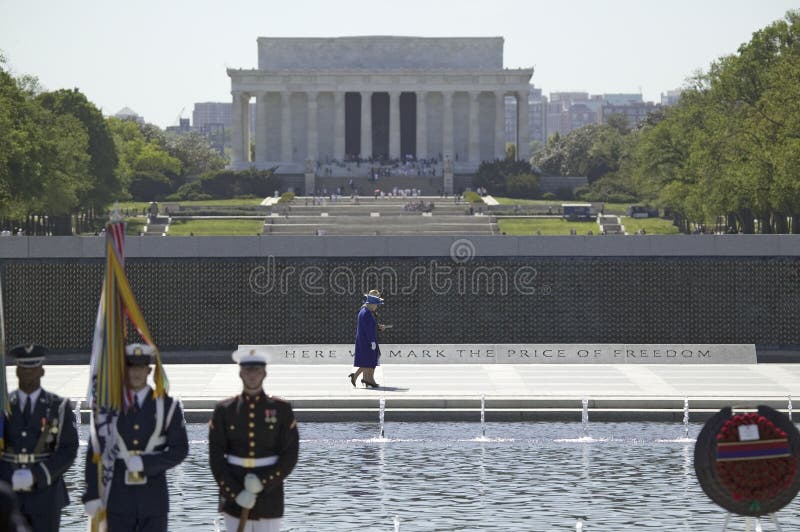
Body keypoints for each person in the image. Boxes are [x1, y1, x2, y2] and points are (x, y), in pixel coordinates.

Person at [83, 343, 188, 531]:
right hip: (118, 500)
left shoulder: (167, 405)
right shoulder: (108, 407)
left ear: (149, 370)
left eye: (140, 367)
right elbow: (95, 452)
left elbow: (180, 450)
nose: (136, 372)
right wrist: (92, 494)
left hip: (153, 500)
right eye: (131, 367)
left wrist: (147, 463)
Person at [209, 349, 299, 532]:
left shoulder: (281, 409)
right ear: (240, 373)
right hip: (233, 490)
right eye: (247, 370)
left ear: (264, 373)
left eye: (257, 370)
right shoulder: (224, 410)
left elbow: (290, 454)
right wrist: (235, 493)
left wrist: (264, 482)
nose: (252, 375)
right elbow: (216, 458)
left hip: (270, 494)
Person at [0, 344, 78, 532]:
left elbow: (68, 449)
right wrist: (8, 476)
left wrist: (37, 475)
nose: (28, 373)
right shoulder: (3, 406)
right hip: (9, 495)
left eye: (33, 368)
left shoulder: (59, 407)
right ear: (16, 371)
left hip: (46, 495)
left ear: (42, 371)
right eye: (24, 368)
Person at [349, 290, 386, 388]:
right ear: (372, 304)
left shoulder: (366, 311)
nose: (377, 306)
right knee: (368, 360)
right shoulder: (366, 313)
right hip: (366, 341)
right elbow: (368, 329)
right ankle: (362, 378)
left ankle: (368, 379)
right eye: (376, 304)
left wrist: (378, 327)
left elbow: (370, 326)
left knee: (371, 359)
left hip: (366, 340)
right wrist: (372, 341)